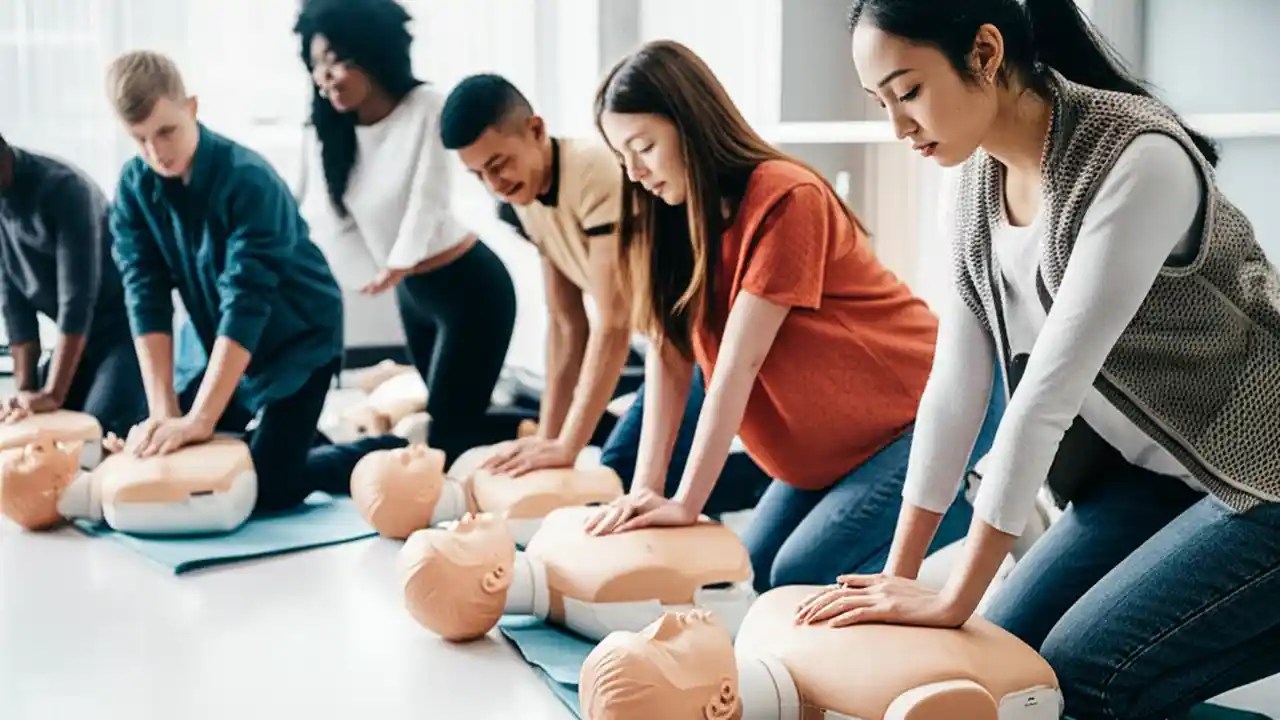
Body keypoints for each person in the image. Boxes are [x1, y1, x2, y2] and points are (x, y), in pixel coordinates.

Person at [798, 2, 1280, 718]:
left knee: (1081, 671)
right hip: (1148, 482)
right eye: (881, 103)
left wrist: (956, 593)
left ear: (985, 54)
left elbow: (1044, 397)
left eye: (908, 93)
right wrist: (898, 583)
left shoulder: (1137, 156)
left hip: (1258, 476)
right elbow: (956, 388)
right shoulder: (971, 184)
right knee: (1007, 661)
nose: (896, 127)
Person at [586, 40, 1002, 591]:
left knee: (797, 574)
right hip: (837, 451)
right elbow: (669, 358)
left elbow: (738, 363)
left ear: (690, 126)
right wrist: (648, 490)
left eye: (643, 147)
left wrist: (688, 502)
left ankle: (978, 510)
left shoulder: (786, 196)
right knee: (754, 571)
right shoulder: (671, 221)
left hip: (929, 408)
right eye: (622, 157)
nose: (635, 172)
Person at [440, 74, 773, 517]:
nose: (493, 183)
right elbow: (565, 324)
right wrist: (548, 438)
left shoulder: (594, 170)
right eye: (478, 173)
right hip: (667, 342)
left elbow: (612, 321)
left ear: (536, 131)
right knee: (623, 470)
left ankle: (762, 478)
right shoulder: (526, 200)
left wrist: (568, 445)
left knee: (619, 468)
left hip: (710, 343)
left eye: (499, 163)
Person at [105, 50, 403, 514]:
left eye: (166, 131)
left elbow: (246, 303)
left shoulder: (249, 180)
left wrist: (201, 419)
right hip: (224, 345)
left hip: (299, 339)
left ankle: (384, 449)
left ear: (192, 108)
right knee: (166, 441)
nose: (155, 152)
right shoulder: (133, 187)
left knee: (265, 491)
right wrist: (165, 413)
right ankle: (295, 437)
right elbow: (145, 299)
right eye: (139, 139)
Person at [294, 0, 524, 463]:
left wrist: (397, 262)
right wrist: (369, 276)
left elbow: (429, 198)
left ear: (372, 52)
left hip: (469, 289)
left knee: (447, 433)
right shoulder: (331, 131)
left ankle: (589, 425)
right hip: (413, 295)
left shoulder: (427, 107)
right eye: (317, 65)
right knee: (453, 423)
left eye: (336, 61)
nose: (325, 77)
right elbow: (333, 219)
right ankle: (532, 420)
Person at [0, 132, 147, 437]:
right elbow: (15, 308)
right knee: (28, 429)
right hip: (80, 344)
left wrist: (53, 393)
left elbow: (76, 303)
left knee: (91, 434)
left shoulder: (65, 190)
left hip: (124, 334)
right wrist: (26, 393)